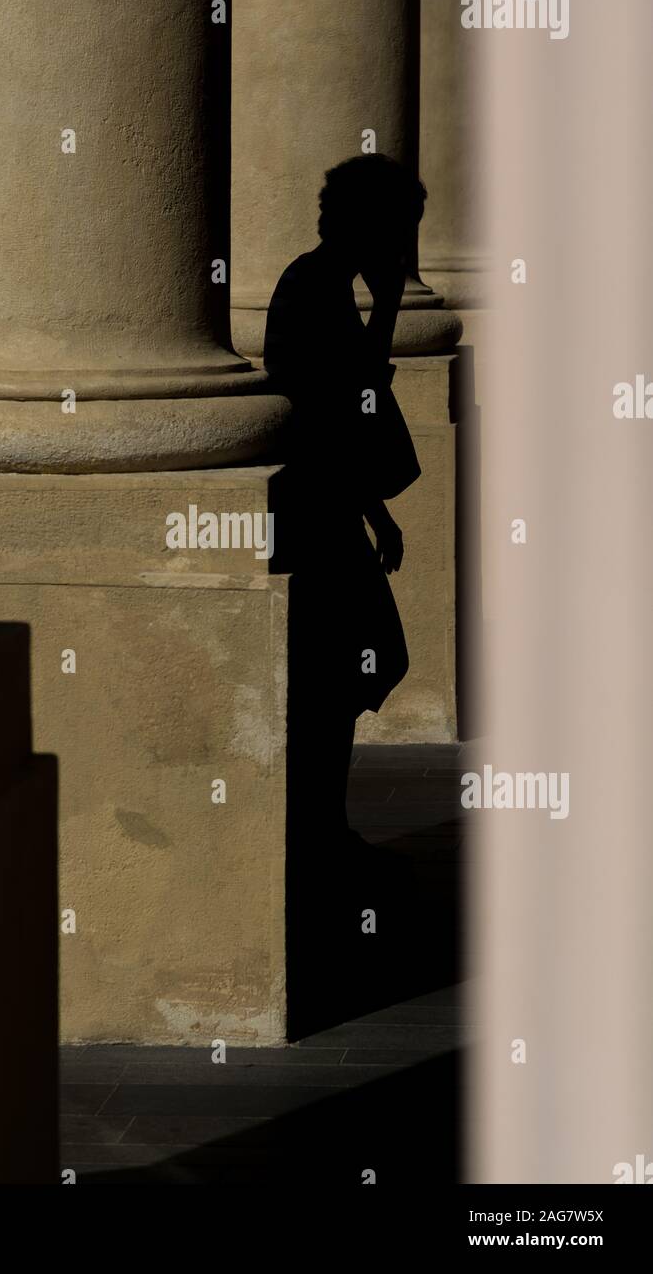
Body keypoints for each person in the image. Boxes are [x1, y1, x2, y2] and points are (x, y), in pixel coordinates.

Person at [265, 154, 425, 844]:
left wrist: (376, 510)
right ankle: (317, 825)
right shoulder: (313, 286)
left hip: (328, 499)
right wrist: (388, 304)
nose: (402, 246)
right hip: (313, 506)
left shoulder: (325, 283)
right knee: (343, 667)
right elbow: (351, 402)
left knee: (352, 664)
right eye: (399, 230)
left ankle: (323, 821)